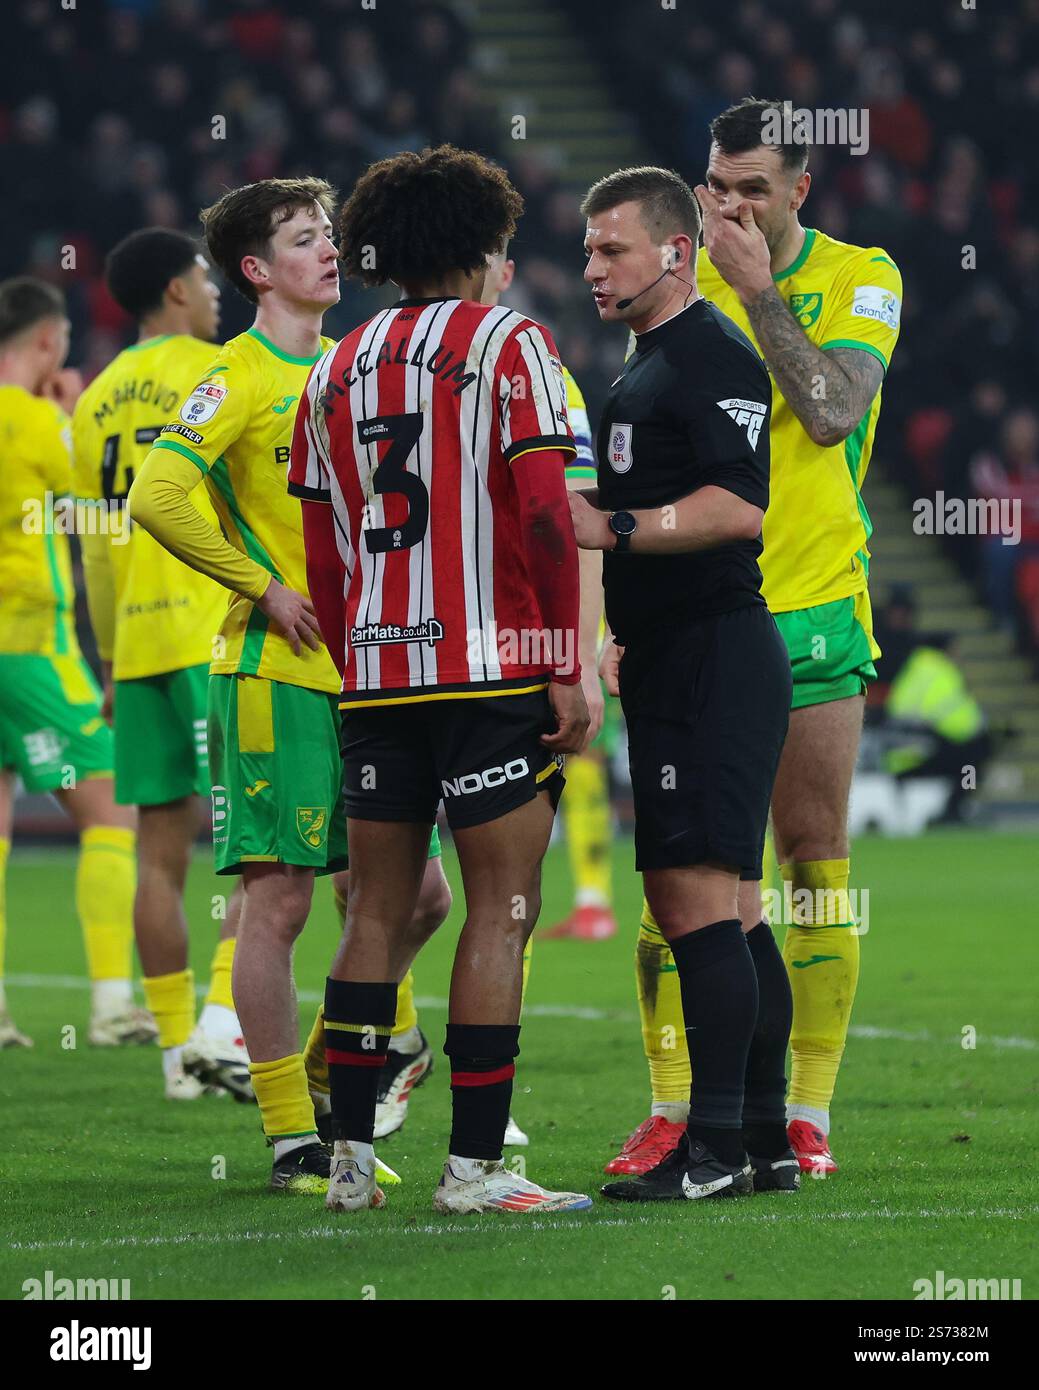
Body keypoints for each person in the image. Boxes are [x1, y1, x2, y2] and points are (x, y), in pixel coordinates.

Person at [129, 177, 448, 1192]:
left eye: (332, 238)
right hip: (272, 674)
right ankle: (288, 1139)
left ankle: (325, 1070)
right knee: (278, 906)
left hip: (366, 673)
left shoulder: (353, 369)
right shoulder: (239, 372)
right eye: (308, 239)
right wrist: (261, 585)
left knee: (420, 897)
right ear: (258, 271)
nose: (330, 254)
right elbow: (157, 493)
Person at [291, 144, 592, 1214]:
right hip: (493, 666)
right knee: (499, 910)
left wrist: (353, 652)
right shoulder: (513, 343)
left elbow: (323, 551)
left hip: (376, 675)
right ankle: (475, 1168)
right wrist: (565, 657)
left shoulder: (334, 366)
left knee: (372, 910)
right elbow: (550, 512)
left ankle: (349, 1167)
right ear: (479, 246)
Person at [613, 98, 903, 1178]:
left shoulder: (862, 275)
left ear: (797, 191)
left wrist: (755, 294)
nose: (724, 205)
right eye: (711, 185)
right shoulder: (666, 281)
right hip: (690, 608)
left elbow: (829, 412)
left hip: (813, 600)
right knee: (679, 872)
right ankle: (674, 1105)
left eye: (747, 188)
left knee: (811, 863)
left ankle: (805, 1114)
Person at [572, 165, 796, 1201]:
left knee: (694, 899)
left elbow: (736, 508)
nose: (592, 268)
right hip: (674, 653)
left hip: (713, 655)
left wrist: (610, 526)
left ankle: (708, 1155)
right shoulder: (644, 363)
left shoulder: (711, 354)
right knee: (734, 909)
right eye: (587, 249)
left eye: (611, 248)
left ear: (676, 250)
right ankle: (762, 1143)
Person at [73, 228, 250, 1101]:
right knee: (260, 847)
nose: (216, 291)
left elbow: (98, 550)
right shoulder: (213, 370)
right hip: (210, 628)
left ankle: (180, 1057)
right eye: (206, 278)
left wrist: (108, 654)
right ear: (178, 289)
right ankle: (224, 1028)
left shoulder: (95, 396)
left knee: (159, 853)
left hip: (137, 643)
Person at [0, 277, 147, 1052]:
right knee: (113, 814)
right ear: (50, 342)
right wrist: (67, 414)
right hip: (31, 648)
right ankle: (112, 1005)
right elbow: (94, 510)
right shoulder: (31, 420)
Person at [479, 251, 615, 945]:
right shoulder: (538, 372)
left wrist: (582, 648)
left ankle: (593, 897)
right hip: (514, 634)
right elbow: (573, 512)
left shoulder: (371, 358)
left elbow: (576, 514)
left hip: (467, 642)